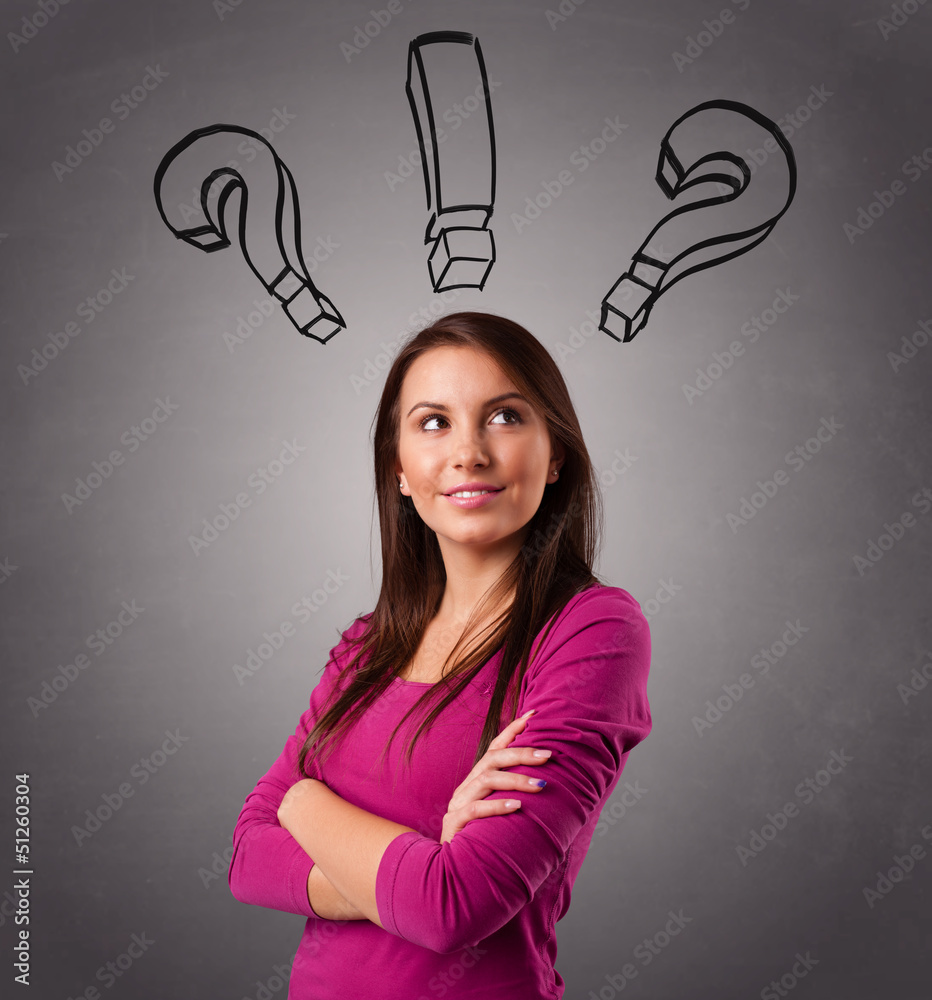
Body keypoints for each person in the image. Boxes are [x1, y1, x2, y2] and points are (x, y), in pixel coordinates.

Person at [228, 311, 653, 998]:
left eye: (505, 417)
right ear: (399, 469)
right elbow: (248, 857)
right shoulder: (364, 647)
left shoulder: (593, 632)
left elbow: (453, 906)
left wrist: (303, 806)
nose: (469, 453)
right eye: (433, 422)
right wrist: (421, 860)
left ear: (556, 456)